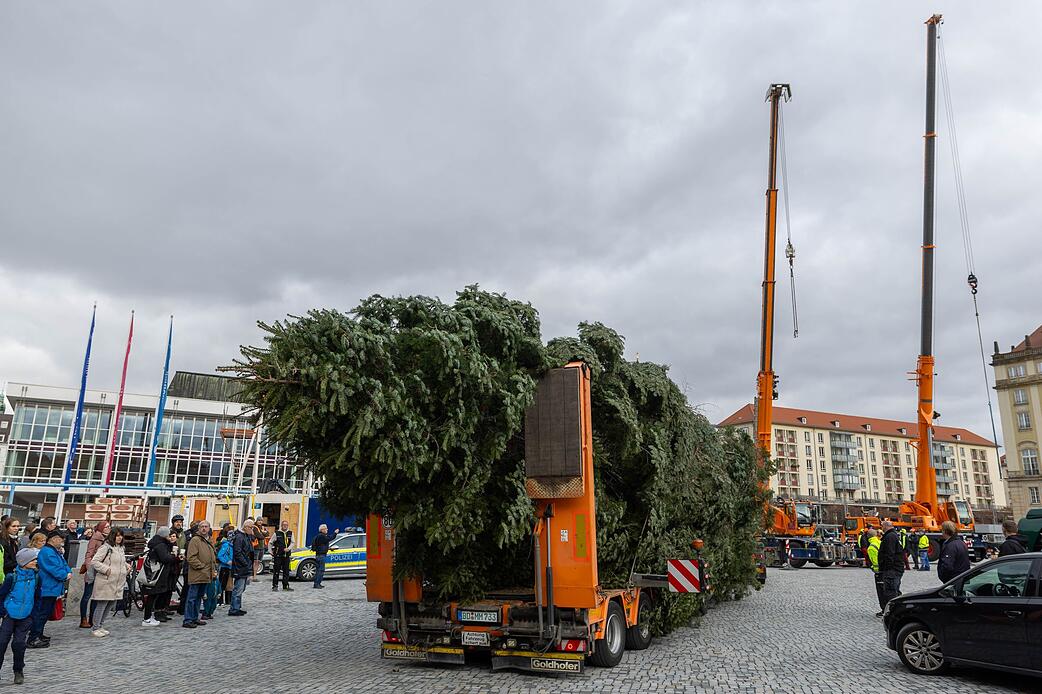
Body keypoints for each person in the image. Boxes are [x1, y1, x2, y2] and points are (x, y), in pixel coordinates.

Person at [0, 548, 40, 685]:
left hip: (26, 616)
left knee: (18, 644)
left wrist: (33, 615)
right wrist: (3, 612)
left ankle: (18, 670)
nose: (36, 561)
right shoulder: (12, 577)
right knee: (1, 643)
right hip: (10, 615)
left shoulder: (36, 577)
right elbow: (1, 595)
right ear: (24, 562)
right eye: (33, 560)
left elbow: (37, 597)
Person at [27, 532, 71, 648]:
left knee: (45, 613)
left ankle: (38, 634)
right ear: (54, 539)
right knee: (42, 613)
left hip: (52, 587)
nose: (62, 541)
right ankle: (33, 637)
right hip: (47, 587)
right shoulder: (47, 552)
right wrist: (65, 575)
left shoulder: (54, 551)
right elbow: (53, 568)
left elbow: (63, 564)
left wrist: (68, 571)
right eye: (61, 539)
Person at [88, 527, 127, 638]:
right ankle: (95, 627)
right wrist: (106, 570)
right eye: (117, 535)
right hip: (106, 580)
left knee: (110, 604)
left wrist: (125, 567)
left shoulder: (120, 548)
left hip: (116, 581)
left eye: (121, 535)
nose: (119, 537)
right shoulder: (106, 548)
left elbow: (120, 562)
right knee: (102, 604)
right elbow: (95, 561)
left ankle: (100, 625)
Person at [140, 527, 178, 627]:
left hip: (154, 572)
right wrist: (173, 556)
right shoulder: (160, 545)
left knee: (153, 596)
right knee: (152, 596)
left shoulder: (156, 542)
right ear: (165, 535)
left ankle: (149, 617)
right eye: (169, 535)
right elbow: (165, 558)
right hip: (157, 573)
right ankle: (147, 618)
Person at [184, 521, 216, 629]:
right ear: (198, 528)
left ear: (209, 528)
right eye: (202, 527)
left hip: (206, 574)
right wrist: (201, 566)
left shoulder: (208, 540)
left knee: (199, 597)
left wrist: (212, 569)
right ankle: (188, 619)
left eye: (206, 527)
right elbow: (191, 557)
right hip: (197, 573)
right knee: (192, 598)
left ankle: (194, 618)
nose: (204, 528)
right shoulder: (195, 540)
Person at [79, 521, 110, 629]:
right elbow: (89, 555)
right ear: (101, 528)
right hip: (93, 569)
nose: (108, 528)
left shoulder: (107, 539)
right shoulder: (95, 538)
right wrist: (90, 570)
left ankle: (93, 619)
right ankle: (83, 619)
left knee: (96, 596)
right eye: (106, 527)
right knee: (87, 595)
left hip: (101, 570)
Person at [229, 519, 255, 616]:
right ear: (246, 527)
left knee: (242, 588)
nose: (252, 530)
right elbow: (238, 552)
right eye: (251, 527)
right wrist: (245, 563)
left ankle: (237, 607)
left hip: (244, 566)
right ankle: (234, 609)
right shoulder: (240, 537)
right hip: (240, 567)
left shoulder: (246, 536)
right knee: (238, 588)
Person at [877, 520, 904, 612]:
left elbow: (890, 554)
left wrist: (887, 568)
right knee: (894, 590)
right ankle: (898, 609)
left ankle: (893, 611)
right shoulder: (893, 535)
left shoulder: (890, 537)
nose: (881, 529)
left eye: (882, 527)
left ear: (885, 526)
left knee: (891, 591)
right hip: (895, 568)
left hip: (892, 569)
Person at [310, 524, 339, 589]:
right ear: (322, 530)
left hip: (319, 555)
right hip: (321, 556)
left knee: (319, 570)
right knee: (321, 570)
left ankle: (317, 583)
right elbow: (329, 538)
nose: (327, 529)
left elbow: (320, 545)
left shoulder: (318, 536)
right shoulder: (321, 536)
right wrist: (335, 533)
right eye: (326, 528)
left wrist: (328, 548)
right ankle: (317, 584)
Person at [270, 520, 294, 592]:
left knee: (286, 571)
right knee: (276, 571)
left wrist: (289, 548)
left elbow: (293, 542)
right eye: (284, 525)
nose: (285, 526)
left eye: (286, 525)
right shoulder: (277, 533)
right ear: (281, 525)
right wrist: (270, 551)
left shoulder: (290, 533)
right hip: (278, 555)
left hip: (286, 555)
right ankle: (275, 586)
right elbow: (270, 542)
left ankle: (285, 586)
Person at [865, 529, 884, 616]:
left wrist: (873, 568)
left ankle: (884, 609)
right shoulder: (880, 542)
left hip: (879, 572)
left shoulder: (871, 547)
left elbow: (875, 562)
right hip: (886, 570)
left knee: (881, 592)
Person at [215, 524, 234, 606]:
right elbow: (220, 555)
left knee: (229, 584)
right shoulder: (226, 545)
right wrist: (227, 561)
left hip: (230, 567)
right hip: (224, 567)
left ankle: (228, 600)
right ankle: (219, 600)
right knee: (222, 584)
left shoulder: (232, 546)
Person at [0, 519, 21, 595]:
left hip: (11, 571)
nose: (16, 528)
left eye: (18, 526)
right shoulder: (3, 540)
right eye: (13, 526)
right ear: (7, 527)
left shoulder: (13, 539)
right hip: (5, 574)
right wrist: (19, 564)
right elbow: (4, 561)